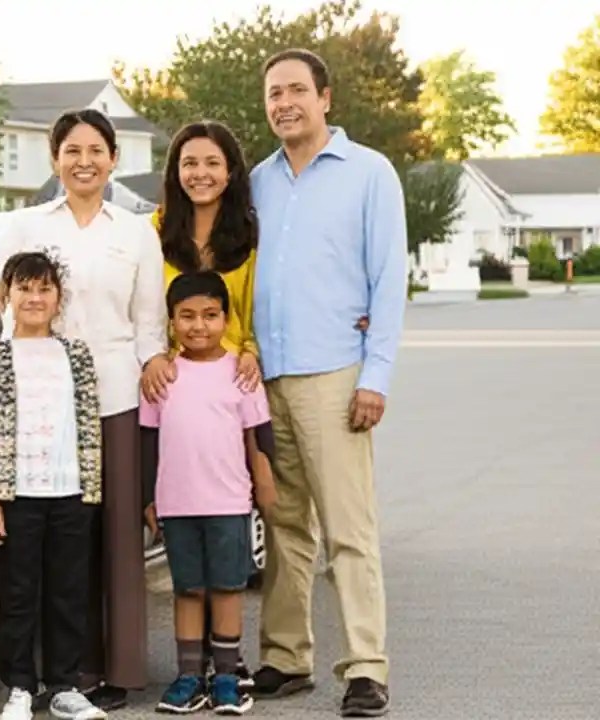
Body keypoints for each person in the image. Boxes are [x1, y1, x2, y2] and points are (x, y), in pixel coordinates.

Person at [0, 108, 170, 711]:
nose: (84, 161)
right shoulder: (24, 226)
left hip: (112, 398)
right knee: (41, 554)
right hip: (35, 405)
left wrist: (155, 364)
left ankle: (117, 668)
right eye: (71, 150)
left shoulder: (135, 231)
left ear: (113, 158)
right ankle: (57, 677)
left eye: (96, 150)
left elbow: (147, 321)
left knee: (110, 541)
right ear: (54, 159)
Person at [248, 48, 406, 718]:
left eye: (295, 91)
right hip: (268, 376)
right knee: (283, 524)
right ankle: (287, 656)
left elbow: (388, 278)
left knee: (349, 528)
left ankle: (366, 666)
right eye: (273, 94)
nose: (284, 103)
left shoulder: (369, 173)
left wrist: (376, 374)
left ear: (325, 98)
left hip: (337, 372)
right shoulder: (257, 179)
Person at [142, 120, 269, 689]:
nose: (200, 173)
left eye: (212, 163)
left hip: (233, 375)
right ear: (175, 172)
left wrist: (251, 351)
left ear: (231, 171)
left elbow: (258, 303)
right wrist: (152, 355)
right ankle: (196, 670)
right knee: (189, 569)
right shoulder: (153, 231)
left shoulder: (250, 233)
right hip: (170, 379)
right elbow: (145, 305)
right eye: (189, 163)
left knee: (234, 530)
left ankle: (226, 663)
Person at [0, 251, 108, 720]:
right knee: (20, 592)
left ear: (58, 298)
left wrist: (92, 490)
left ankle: (65, 685)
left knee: (69, 591)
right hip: (17, 495)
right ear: (6, 295)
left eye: (44, 288)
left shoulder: (76, 354)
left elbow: (90, 422)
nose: (34, 297)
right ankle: (20, 687)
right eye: (24, 288)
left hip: (70, 492)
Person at [140, 271, 277, 716]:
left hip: (229, 504)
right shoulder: (161, 377)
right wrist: (147, 497)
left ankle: (225, 679)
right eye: (187, 317)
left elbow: (259, 437)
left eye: (210, 316)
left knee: (227, 589)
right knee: (188, 590)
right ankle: (187, 678)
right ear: (172, 321)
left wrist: (264, 490)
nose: (199, 326)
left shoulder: (240, 372)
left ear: (225, 317)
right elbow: (147, 443)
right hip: (178, 505)